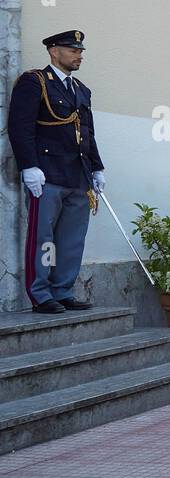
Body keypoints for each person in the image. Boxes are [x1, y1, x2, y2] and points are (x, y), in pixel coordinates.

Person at [8, 29, 104, 313]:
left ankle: (63, 290)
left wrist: (97, 168)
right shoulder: (34, 82)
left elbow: (87, 133)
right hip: (47, 174)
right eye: (73, 50)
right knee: (43, 237)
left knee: (72, 238)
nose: (79, 55)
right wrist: (29, 166)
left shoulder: (81, 90)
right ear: (54, 51)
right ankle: (41, 293)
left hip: (78, 175)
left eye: (80, 51)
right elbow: (20, 127)